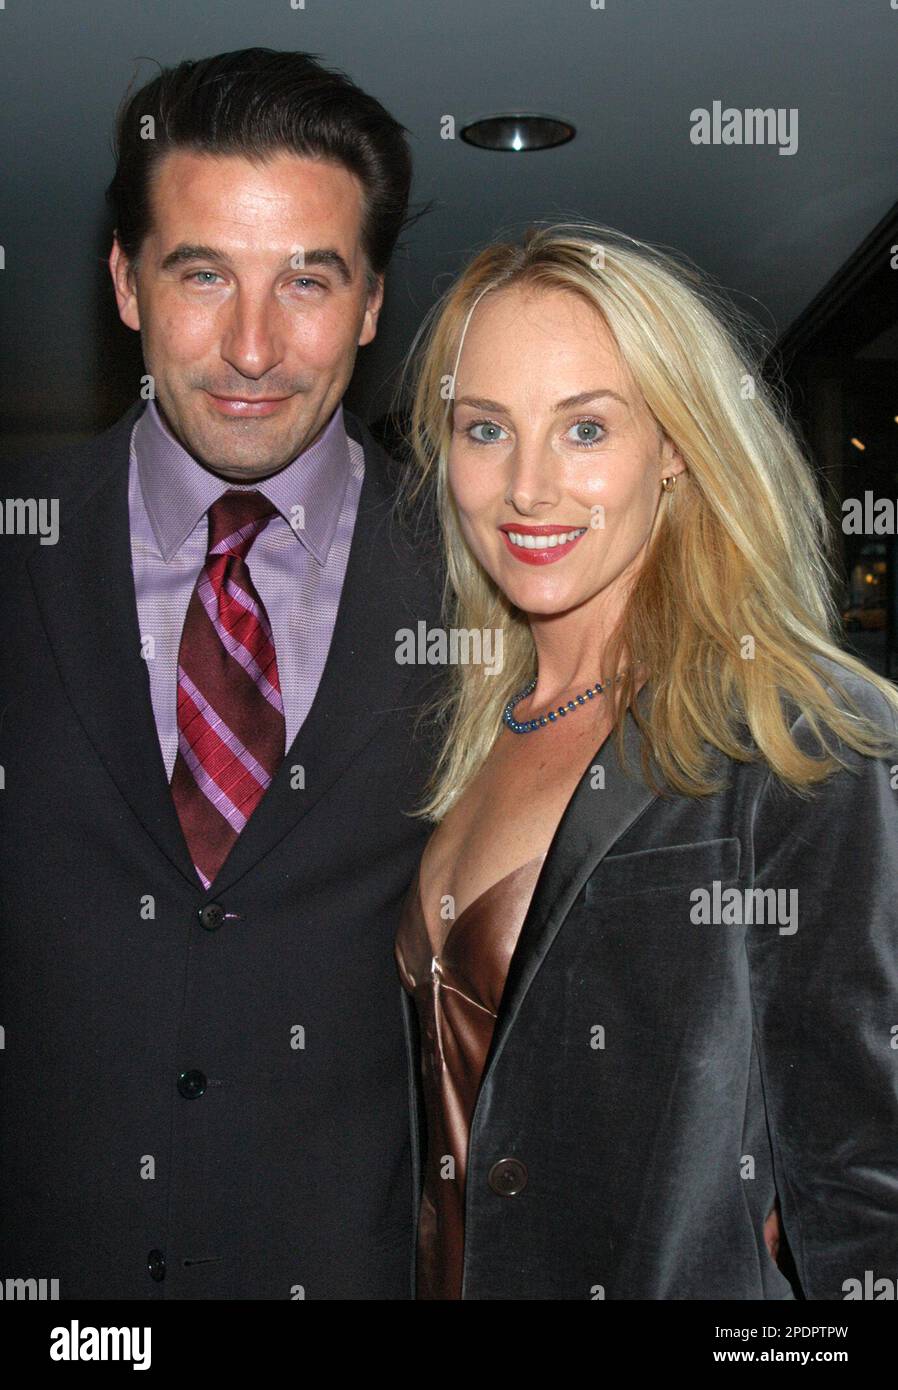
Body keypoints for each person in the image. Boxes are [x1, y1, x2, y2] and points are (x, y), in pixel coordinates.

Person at [0, 48, 446, 1299]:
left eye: (307, 280)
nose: (252, 347)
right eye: (203, 274)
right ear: (126, 285)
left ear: (369, 305)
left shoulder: (492, 587)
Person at [393, 223, 898, 1300]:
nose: (528, 486)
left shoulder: (792, 733)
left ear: (674, 446)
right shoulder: (465, 736)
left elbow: (864, 1187)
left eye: (584, 428)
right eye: (486, 428)